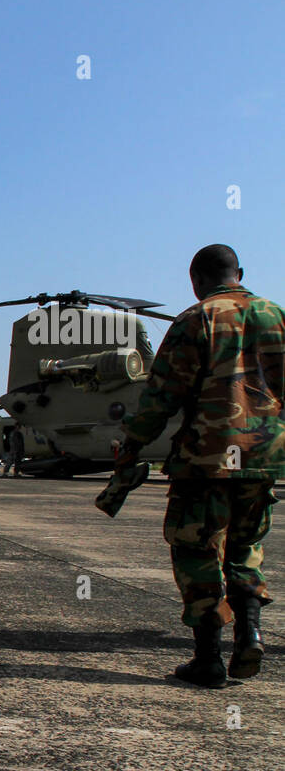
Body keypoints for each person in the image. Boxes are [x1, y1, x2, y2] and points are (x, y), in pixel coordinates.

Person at [114, 244, 285, 688]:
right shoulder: (276, 315)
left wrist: (133, 445)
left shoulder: (195, 320)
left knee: (197, 550)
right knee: (246, 548)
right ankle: (250, 633)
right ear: (239, 273)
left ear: (196, 280)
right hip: (264, 457)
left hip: (205, 458)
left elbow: (161, 396)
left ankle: (208, 658)